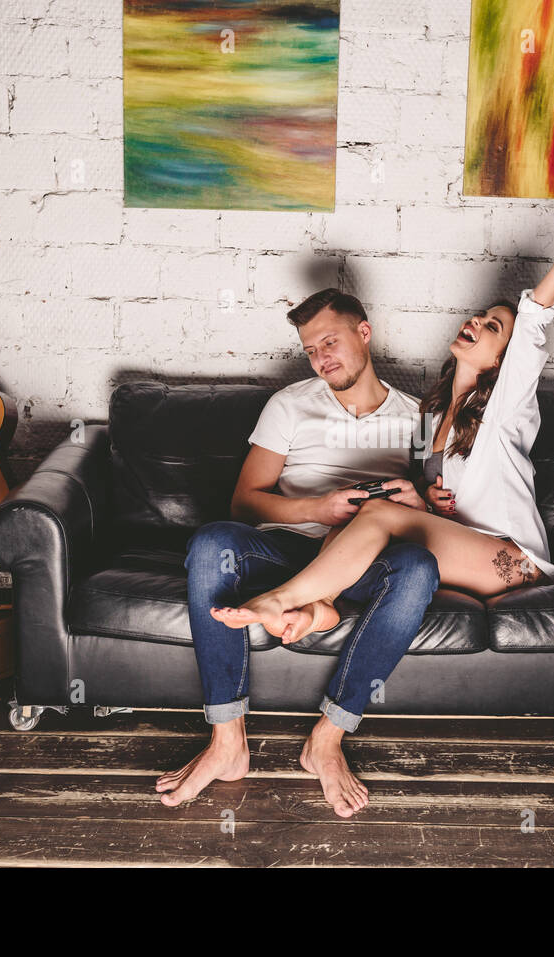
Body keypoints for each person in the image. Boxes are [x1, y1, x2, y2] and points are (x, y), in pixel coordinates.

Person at [210, 223, 554, 645]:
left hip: (515, 562)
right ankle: (322, 606)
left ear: (507, 360)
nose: (478, 322)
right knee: (362, 519)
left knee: (376, 516)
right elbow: (436, 503)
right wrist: (422, 501)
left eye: (494, 328)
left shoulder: (506, 407)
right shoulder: (428, 414)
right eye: (481, 317)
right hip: (464, 552)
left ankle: (281, 599)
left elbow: (535, 319)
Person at [156, 288, 440, 818]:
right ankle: (226, 743)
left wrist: (416, 500)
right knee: (212, 541)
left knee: (420, 567)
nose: (321, 358)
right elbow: (244, 502)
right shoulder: (288, 404)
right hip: (285, 548)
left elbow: (435, 514)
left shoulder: (418, 417)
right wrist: (319, 507)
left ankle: (327, 739)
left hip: (365, 558)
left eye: (330, 341)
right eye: (311, 350)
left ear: (364, 332)